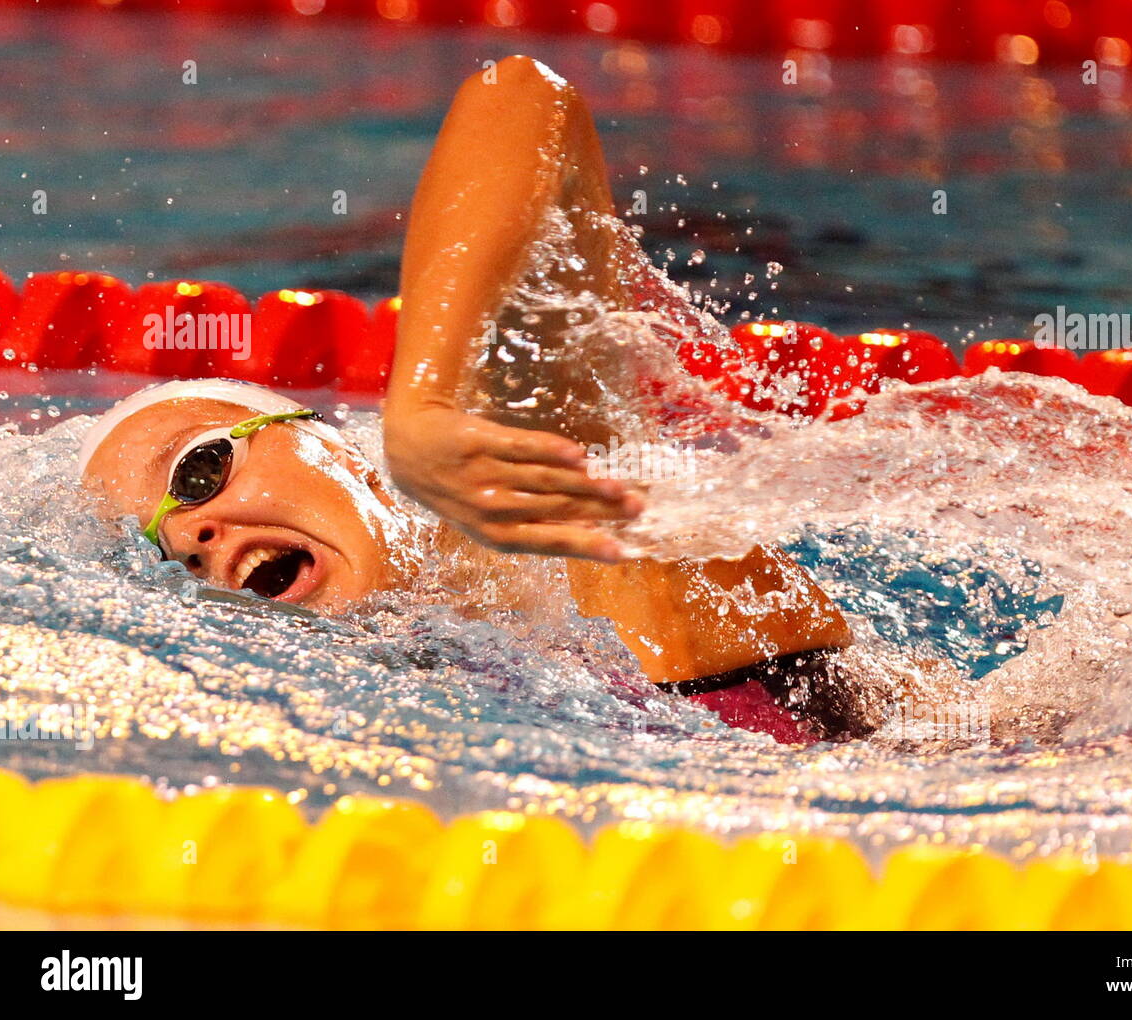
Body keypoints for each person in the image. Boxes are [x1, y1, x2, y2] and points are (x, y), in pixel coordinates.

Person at [78, 56, 888, 744]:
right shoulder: (403, 689)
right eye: (156, 549)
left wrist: (423, 406)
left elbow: (522, 93)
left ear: (333, 445)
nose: (188, 534)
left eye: (198, 469)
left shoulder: (569, 530)